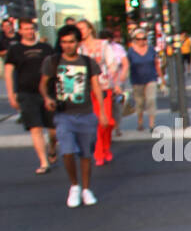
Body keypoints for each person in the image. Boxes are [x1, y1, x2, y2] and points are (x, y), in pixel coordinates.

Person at [40, 23, 106, 207]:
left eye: (71, 42)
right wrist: (46, 98)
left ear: (78, 42)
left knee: (86, 154)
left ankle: (86, 189)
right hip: (63, 114)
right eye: (63, 42)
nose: (67, 45)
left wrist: (101, 113)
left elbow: (96, 87)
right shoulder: (52, 62)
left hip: (85, 114)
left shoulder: (87, 62)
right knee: (67, 151)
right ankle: (74, 186)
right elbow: (43, 84)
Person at [5, 18, 58, 173]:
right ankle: (44, 162)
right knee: (35, 128)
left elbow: (56, 67)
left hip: (48, 92)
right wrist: (11, 94)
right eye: (25, 29)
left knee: (53, 130)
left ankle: (52, 147)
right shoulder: (15, 50)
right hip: (26, 93)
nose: (28, 32)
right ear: (20, 31)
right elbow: (9, 73)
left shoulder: (45, 48)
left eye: (30, 28)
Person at [77, 21, 124, 164]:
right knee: (96, 121)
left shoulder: (103, 45)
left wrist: (116, 83)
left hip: (104, 86)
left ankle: (106, 147)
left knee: (107, 121)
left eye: (83, 28)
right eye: (78, 30)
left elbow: (112, 65)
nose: (81, 32)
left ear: (90, 29)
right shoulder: (79, 48)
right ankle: (99, 153)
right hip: (88, 88)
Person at [125, 28, 162, 131]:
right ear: (135, 39)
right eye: (139, 39)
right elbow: (126, 65)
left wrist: (161, 78)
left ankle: (151, 124)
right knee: (139, 102)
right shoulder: (131, 51)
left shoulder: (151, 49)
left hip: (151, 77)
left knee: (151, 100)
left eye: (144, 38)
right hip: (137, 79)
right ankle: (140, 121)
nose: (142, 41)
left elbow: (156, 63)